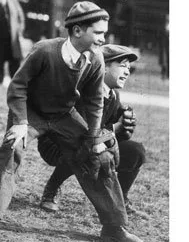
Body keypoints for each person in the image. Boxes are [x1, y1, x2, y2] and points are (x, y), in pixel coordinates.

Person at [0, 1, 142, 242]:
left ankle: (114, 227)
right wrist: (21, 123)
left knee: (100, 156)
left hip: (63, 115)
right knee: (12, 147)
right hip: (31, 113)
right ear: (78, 31)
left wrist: (93, 138)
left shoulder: (96, 59)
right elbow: (18, 87)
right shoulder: (45, 50)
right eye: (98, 33)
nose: (103, 39)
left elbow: (93, 101)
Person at [38, 44, 148, 213]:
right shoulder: (82, 91)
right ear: (102, 68)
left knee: (136, 151)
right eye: (122, 66)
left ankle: (122, 197)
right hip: (57, 144)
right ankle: (51, 189)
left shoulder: (112, 95)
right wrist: (114, 129)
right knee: (82, 146)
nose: (127, 72)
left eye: (129, 67)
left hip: (90, 143)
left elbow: (111, 135)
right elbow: (79, 133)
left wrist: (126, 128)